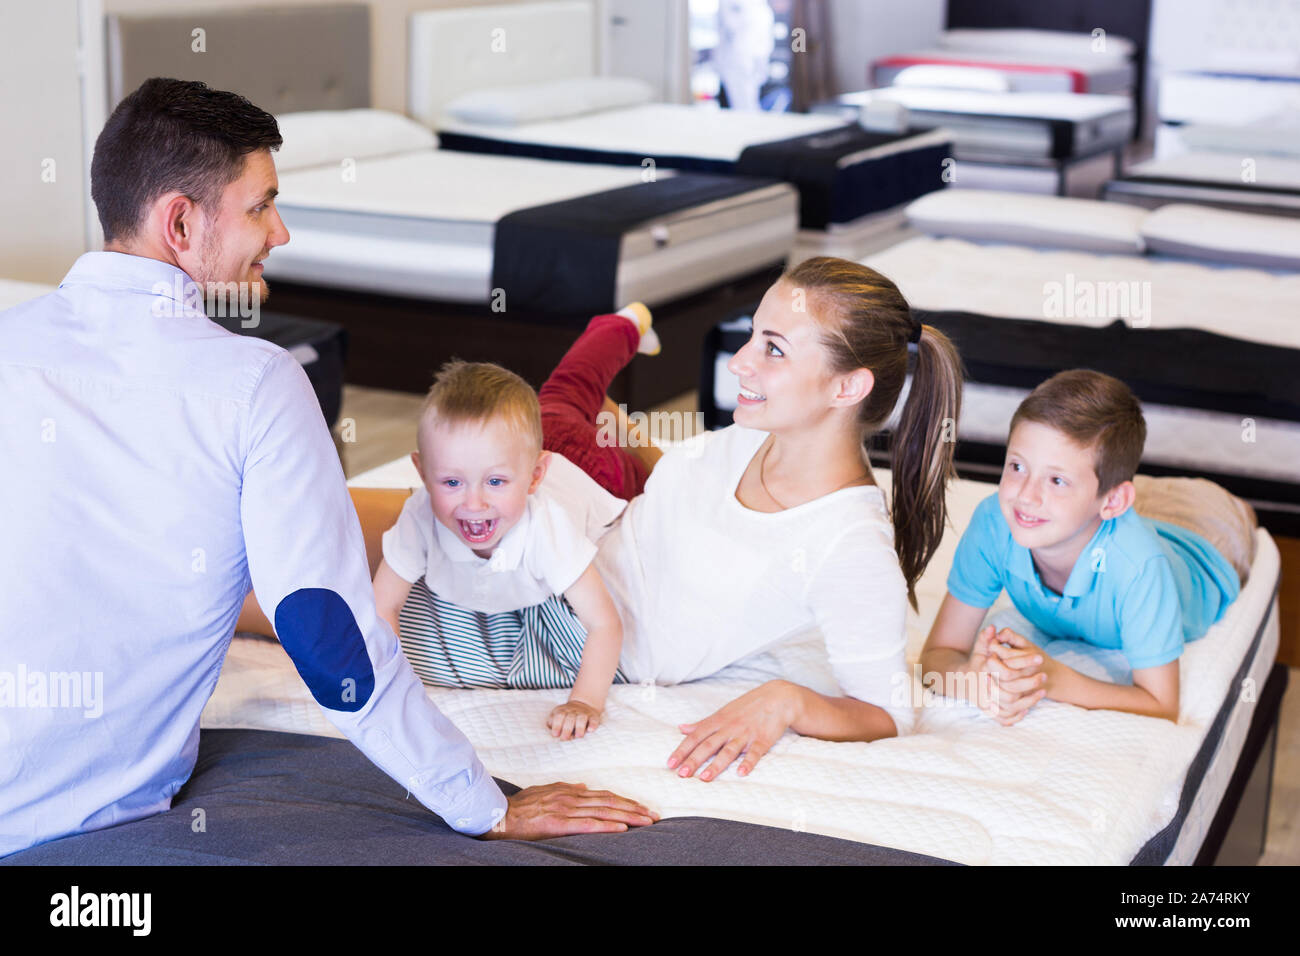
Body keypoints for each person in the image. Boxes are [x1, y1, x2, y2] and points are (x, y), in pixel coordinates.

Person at [0, 77, 654, 857]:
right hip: (68, 824)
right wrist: (483, 806)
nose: (280, 233)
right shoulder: (256, 383)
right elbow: (324, 632)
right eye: (259, 206)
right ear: (179, 221)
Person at [501, 256, 965, 780]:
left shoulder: (849, 546)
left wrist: (786, 700)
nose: (740, 361)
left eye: (773, 349)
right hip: (565, 544)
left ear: (847, 388)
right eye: (753, 336)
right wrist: (609, 429)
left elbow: (888, 714)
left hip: (566, 632)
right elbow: (688, 498)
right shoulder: (755, 434)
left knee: (405, 559)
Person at [918, 370, 1252, 724]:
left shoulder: (1139, 568)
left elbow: (1161, 704)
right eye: (1017, 466)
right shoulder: (993, 523)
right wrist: (974, 680)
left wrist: (1052, 678)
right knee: (1099, 503)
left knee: (1227, 510)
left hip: (1198, 543)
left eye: (1056, 480)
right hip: (1109, 519)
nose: (1025, 496)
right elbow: (938, 655)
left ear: (1112, 502)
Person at [373, 360, 628, 740]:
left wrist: (586, 701)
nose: (474, 504)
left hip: (591, 473)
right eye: (451, 481)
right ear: (422, 472)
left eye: (494, 481)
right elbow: (382, 607)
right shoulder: (420, 514)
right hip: (529, 466)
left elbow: (605, 624)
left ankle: (625, 418)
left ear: (534, 477)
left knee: (571, 396)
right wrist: (392, 692)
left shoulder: (547, 528)